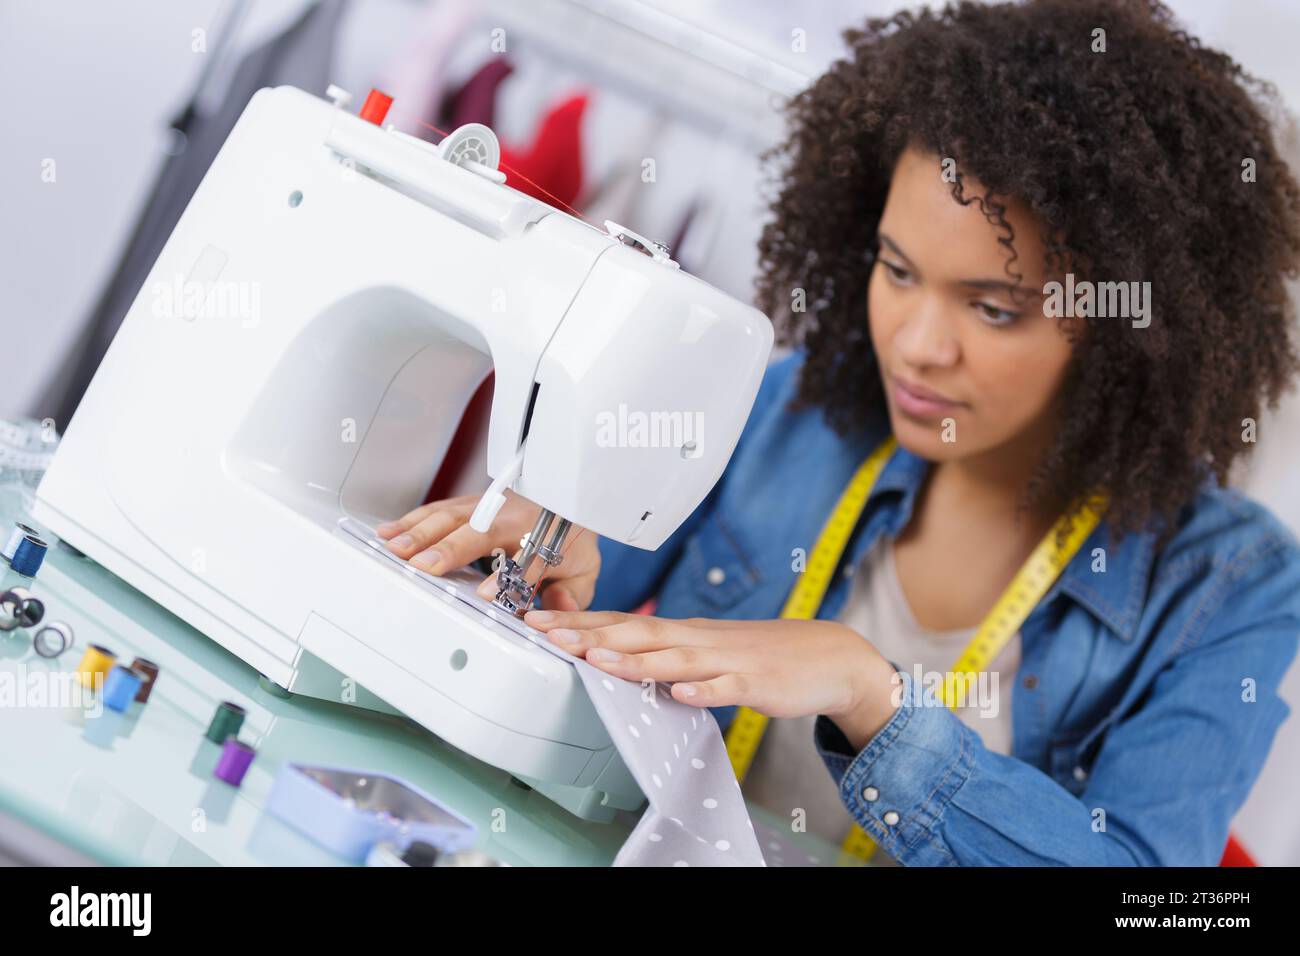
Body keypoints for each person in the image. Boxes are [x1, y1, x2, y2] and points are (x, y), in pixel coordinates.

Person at [377, 0, 1300, 865]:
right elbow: (579, 621)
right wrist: (544, 581)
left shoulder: (1230, 585)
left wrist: (875, 698)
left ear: (1126, 325)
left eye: (993, 308)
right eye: (898, 271)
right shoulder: (793, 411)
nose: (918, 345)